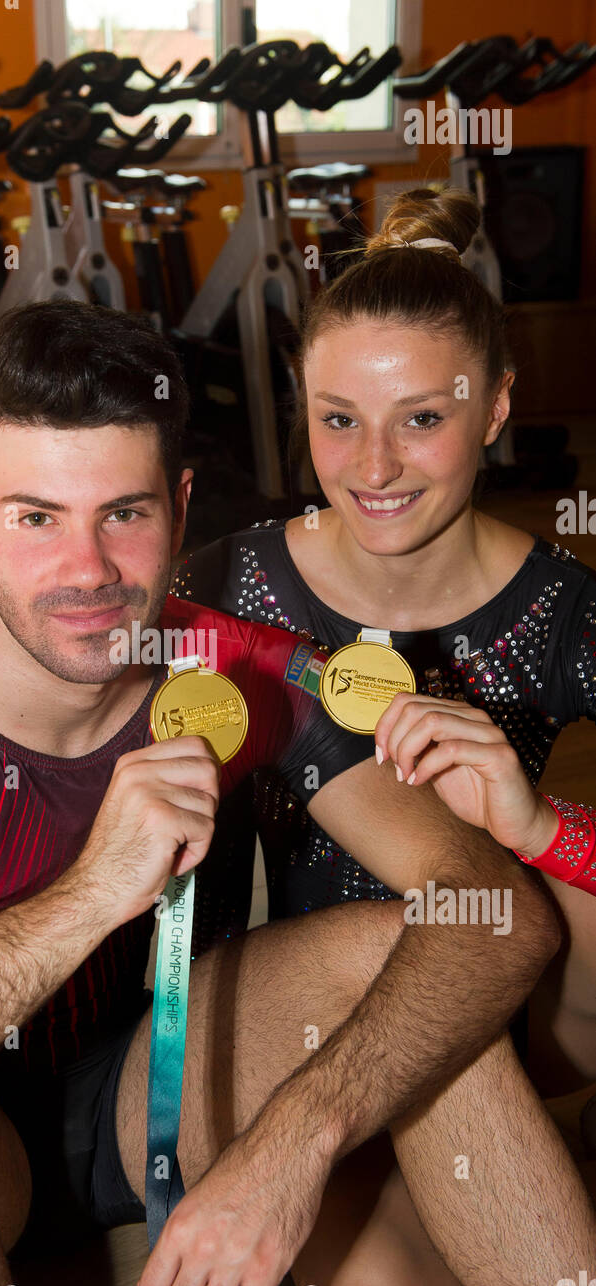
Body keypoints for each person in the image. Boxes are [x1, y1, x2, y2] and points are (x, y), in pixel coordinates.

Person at [0, 301, 593, 1286]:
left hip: (158, 1087)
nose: (87, 571)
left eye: (124, 514)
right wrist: (94, 890)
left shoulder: (245, 670)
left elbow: (492, 917)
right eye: (36, 518)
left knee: (399, 955)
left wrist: (294, 1142)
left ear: (179, 508)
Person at [172, 185, 596, 1183]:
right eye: (337, 418)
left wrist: (537, 827)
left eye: (419, 418)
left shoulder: (564, 609)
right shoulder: (226, 583)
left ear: (494, 405)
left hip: (498, 984)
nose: (372, 465)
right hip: (303, 1008)